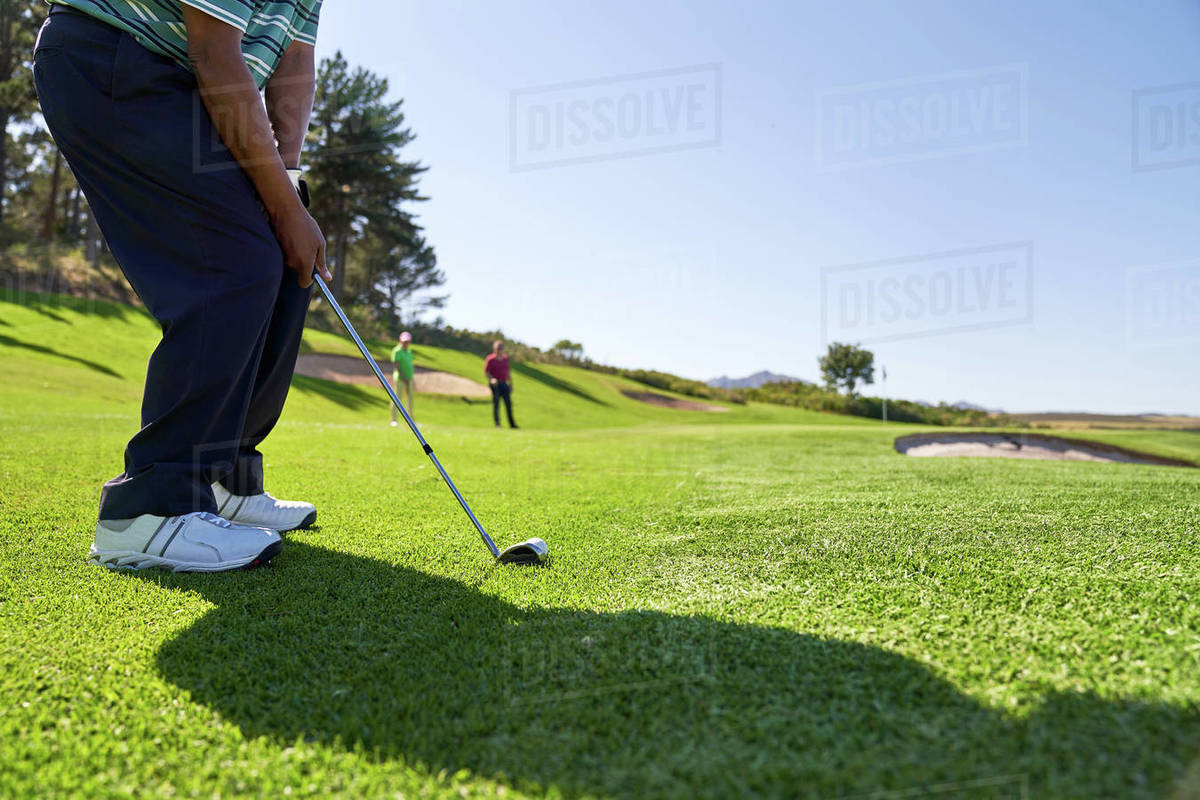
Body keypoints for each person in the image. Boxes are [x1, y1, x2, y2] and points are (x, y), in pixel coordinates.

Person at [34, 0, 327, 572]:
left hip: (186, 80)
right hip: (115, 56)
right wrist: (282, 209)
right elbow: (215, 50)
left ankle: (223, 481)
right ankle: (147, 511)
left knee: (286, 263)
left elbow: (293, 60)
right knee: (234, 260)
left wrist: (286, 189)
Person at [484, 340, 518, 429]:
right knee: (496, 404)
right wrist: (492, 379)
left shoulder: (505, 359)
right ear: (494, 349)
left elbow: (508, 372)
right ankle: (497, 423)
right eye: (498, 348)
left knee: (508, 404)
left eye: (501, 348)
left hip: (504, 383)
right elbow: (486, 372)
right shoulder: (490, 359)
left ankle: (512, 424)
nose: (500, 350)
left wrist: (511, 384)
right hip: (495, 384)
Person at [390, 331, 415, 426]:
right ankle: (394, 420)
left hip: (410, 379)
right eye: (404, 341)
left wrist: (410, 378)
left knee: (410, 400)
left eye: (407, 341)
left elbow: (410, 366)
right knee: (397, 399)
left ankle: (411, 421)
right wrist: (404, 377)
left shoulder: (409, 352)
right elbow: (396, 366)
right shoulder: (397, 351)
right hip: (400, 379)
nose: (406, 343)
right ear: (400, 340)